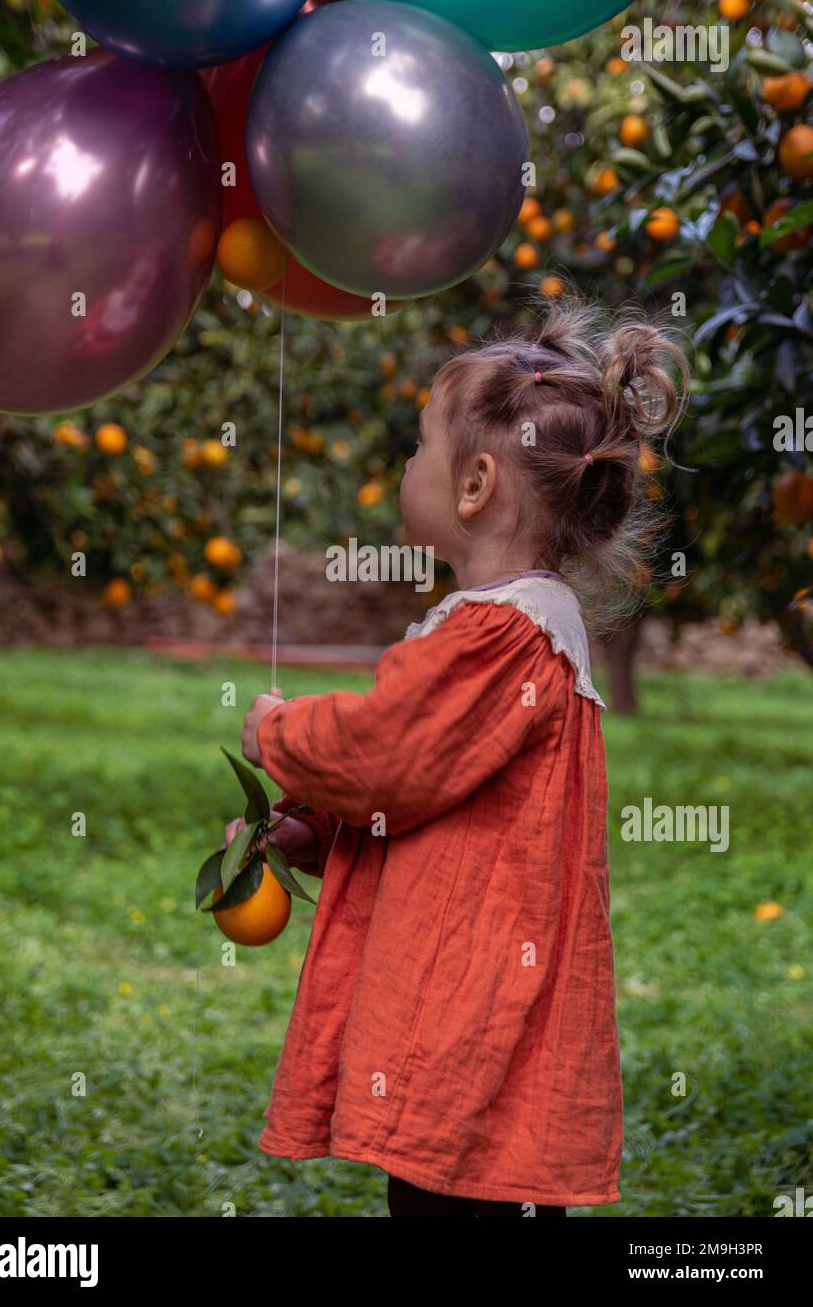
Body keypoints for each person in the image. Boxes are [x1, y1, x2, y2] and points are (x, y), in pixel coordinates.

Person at [232, 296, 689, 1217]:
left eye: (418, 445)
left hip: (471, 1011)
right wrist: (323, 832)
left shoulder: (500, 635)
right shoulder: (508, 632)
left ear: (475, 483)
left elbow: (389, 753)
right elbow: (439, 793)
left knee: (459, 1194)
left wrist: (278, 733)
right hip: (474, 998)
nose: (405, 465)